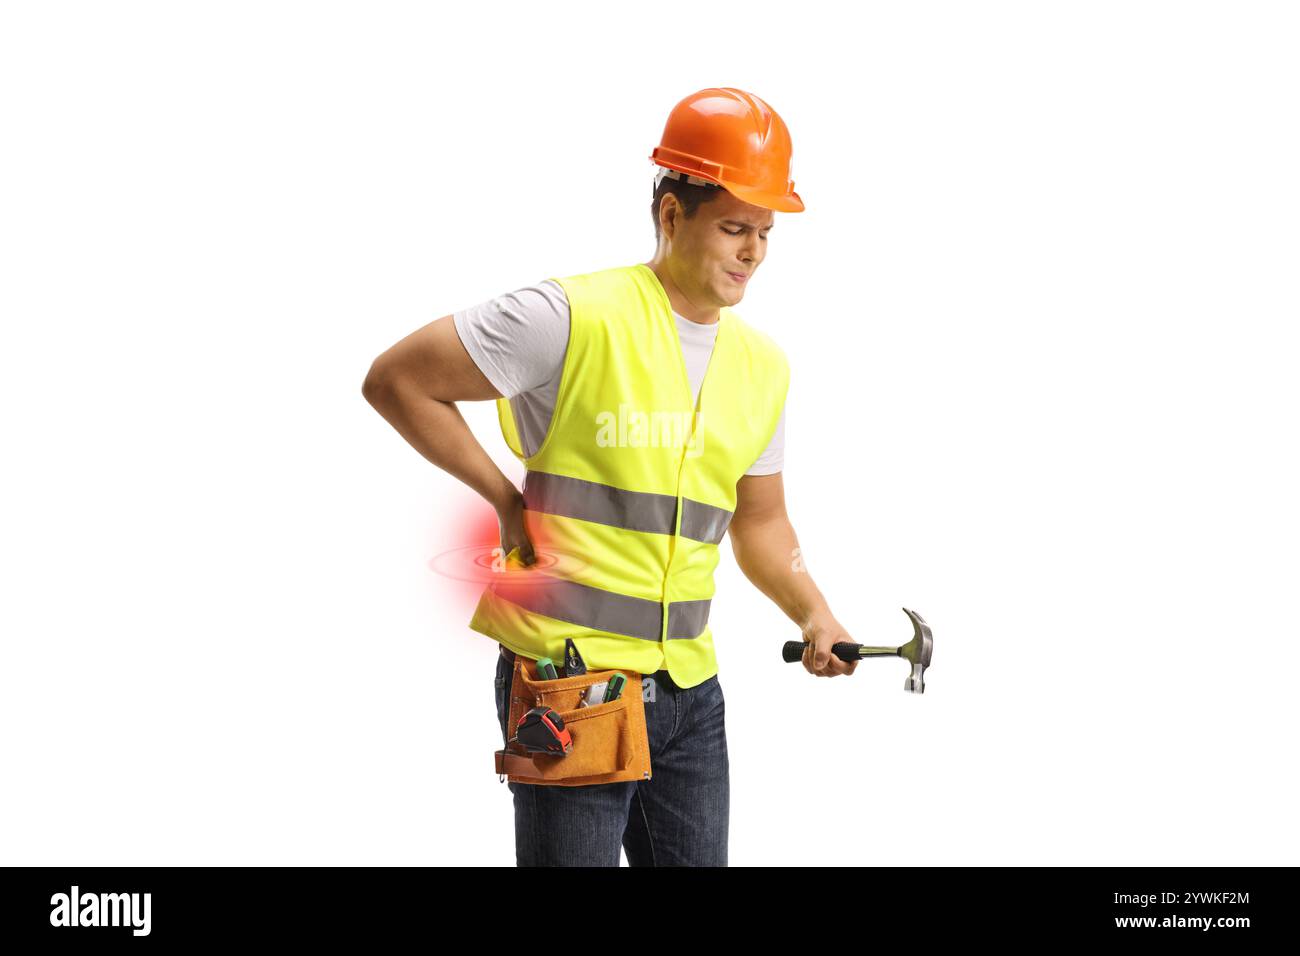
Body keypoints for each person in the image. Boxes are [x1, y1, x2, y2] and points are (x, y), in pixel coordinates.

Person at [363, 87, 859, 867]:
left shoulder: (762, 367)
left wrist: (816, 613)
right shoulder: (569, 317)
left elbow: (761, 521)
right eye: (734, 226)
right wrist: (502, 496)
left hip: (691, 697)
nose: (753, 251)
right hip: (572, 683)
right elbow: (397, 380)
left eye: (765, 231)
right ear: (671, 214)